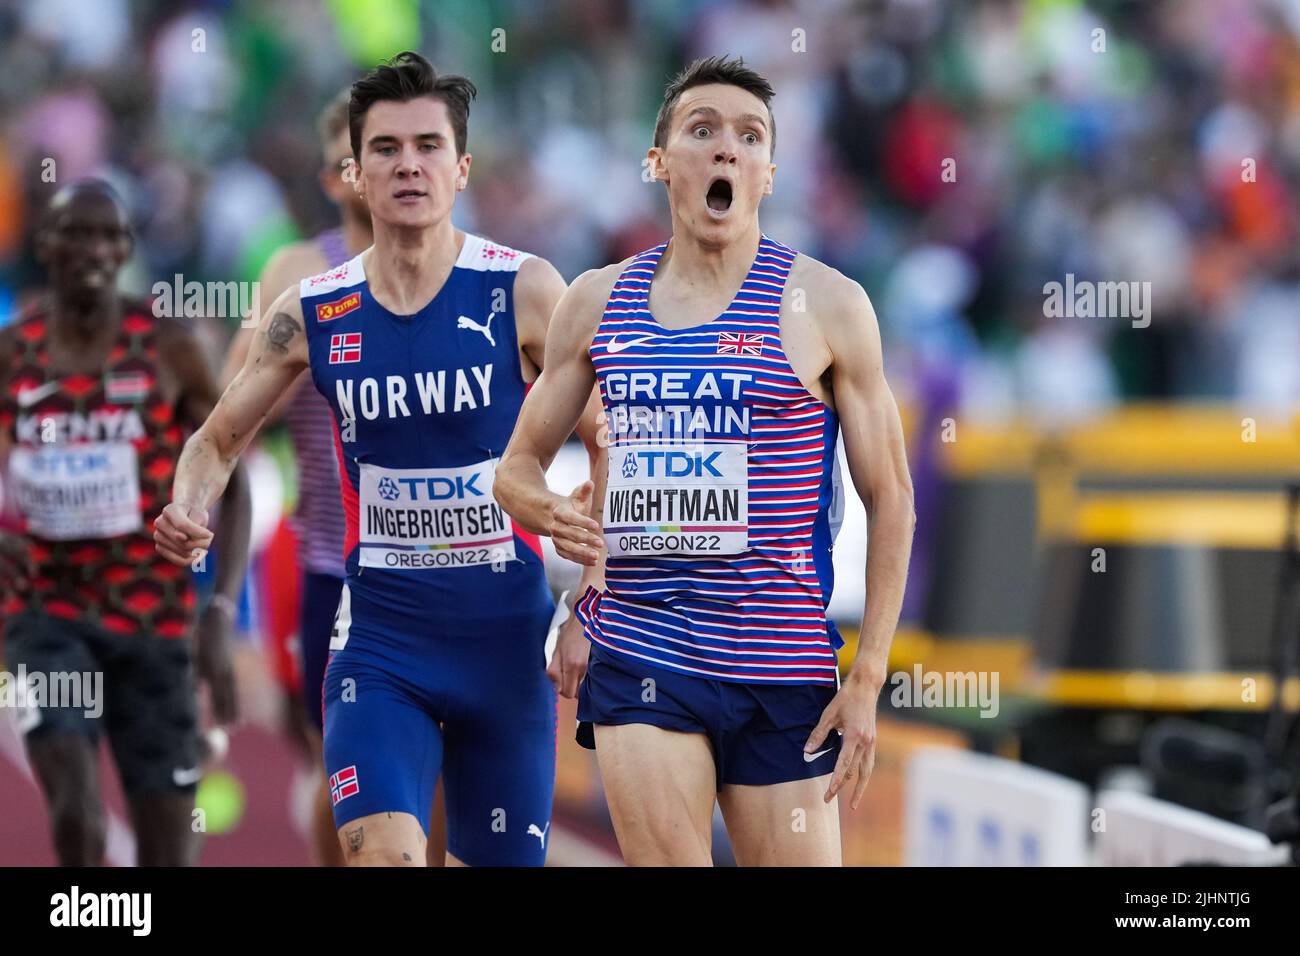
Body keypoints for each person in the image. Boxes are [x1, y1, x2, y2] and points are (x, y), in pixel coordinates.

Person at [155, 52, 604, 866]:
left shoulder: (527, 290)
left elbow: (613, 444)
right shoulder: (314, 310)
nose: (409, 165)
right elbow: (215, 439)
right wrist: (191, 504)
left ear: (461, 167)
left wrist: (589, 605)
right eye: (387, 149)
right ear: (354, 173)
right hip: (378, 648)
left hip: (504, 645)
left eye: (429, 146)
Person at [494, 56, 915, 866]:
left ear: (767, 174)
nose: (727, 149)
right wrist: (549, 513)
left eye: (748, 137)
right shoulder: (596, 300)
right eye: (703, 130)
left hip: (783, 664)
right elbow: (515, 468)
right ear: (659, 163)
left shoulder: (827, 304)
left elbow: (891, 497)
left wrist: (866, 681)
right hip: (642, 655)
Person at [221, 89, 453, 868]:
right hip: (331, 565)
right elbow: (235, 410)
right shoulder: (299, 273)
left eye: (409, 149)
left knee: (441, 778)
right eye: (361, 160)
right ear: (336, 178)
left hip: (446, 567)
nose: (384, 172)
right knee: (349, 775)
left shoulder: (461, 263)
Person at [0, 180, 251, 866]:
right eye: (75, 233)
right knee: (77, 816)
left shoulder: (169, 346)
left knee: (167, 851)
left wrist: (222, 609)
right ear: (45, 245)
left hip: (153, 622)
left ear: (125, 250)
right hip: (46, 614)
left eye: (108, 235)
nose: (93, 249)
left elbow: (232, 475)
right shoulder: (13, 350)